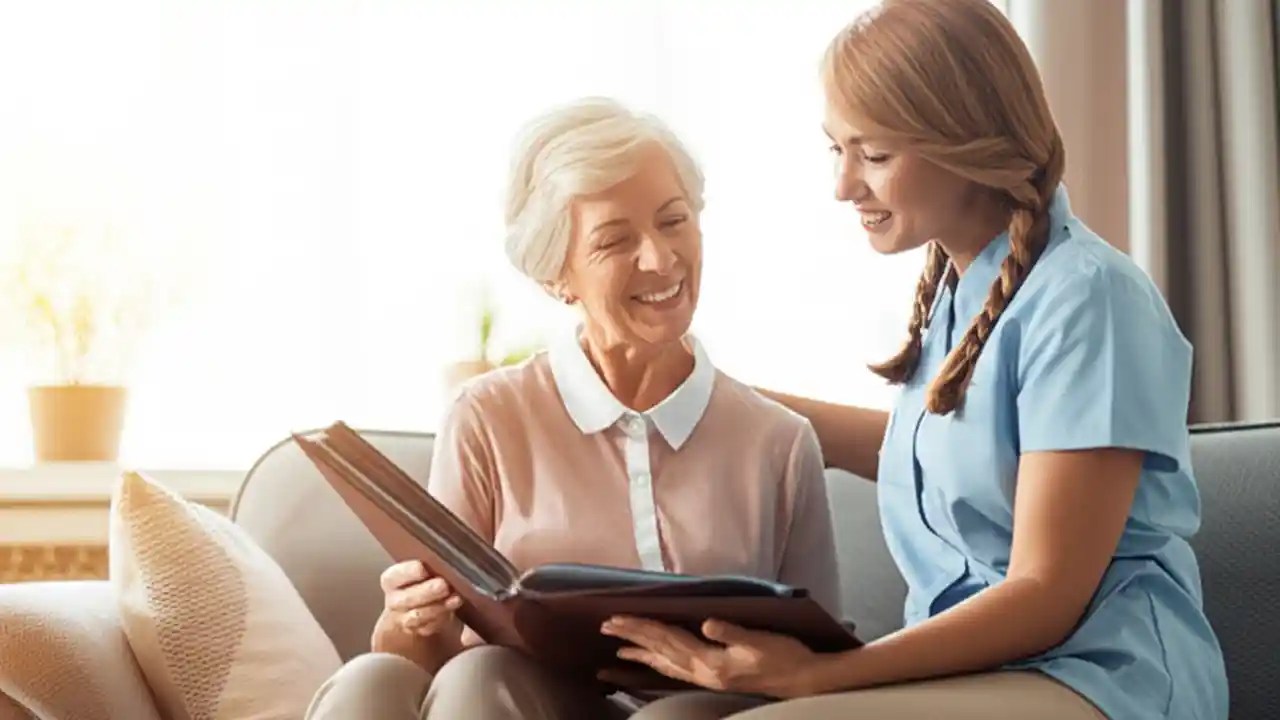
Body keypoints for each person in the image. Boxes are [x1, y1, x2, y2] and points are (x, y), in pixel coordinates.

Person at [601, 1, 1230, 719]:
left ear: (966, 143)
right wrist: (711, 396)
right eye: (835, 149)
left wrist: (826, 675)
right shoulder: (966, 290)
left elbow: (1046, 593)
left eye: (873, 155)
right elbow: (950, 457)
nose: (843, 185)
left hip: (1097, 676)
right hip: (977, 672)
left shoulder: (1089, 299)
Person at [304, 97, 842, 720]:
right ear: (557, 277)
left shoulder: (779, 442)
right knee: (465, 673)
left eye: (674, 222)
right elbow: (424, 661)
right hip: (525, 704)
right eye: (616, 240)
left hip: (709, 712)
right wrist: (411, 618)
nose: (661, 259)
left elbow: (825, 668)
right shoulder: (487, 417)